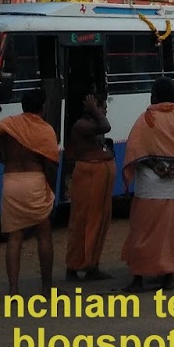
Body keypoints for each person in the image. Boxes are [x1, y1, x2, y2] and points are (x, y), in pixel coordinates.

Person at [120, 79, 174, 292]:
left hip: (149, 186)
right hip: (172, 186)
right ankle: (169, 276)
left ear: (154, 96)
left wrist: (156, 166)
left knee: (141, 232)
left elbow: (136, 150)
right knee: (169, 233)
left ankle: (138, 277)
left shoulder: (146, 119)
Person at [0, 90, 60, 296]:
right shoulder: (45, 130)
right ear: (42, 108)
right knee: (44, 235)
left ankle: (14, 291)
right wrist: (51, 191)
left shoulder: (10, 124)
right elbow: (51, 166)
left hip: (12, 182)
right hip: (35, 181)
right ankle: (46, 288)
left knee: (14, 238)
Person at [64, 92, 116, 281]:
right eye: (103, 106)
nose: (105, 110)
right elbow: (106, 125)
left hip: (100, 177)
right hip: (88, 176)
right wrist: (95, 109)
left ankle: (92, 264)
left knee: (100, 221)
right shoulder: (82, 125)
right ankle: (74, 266)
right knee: (83, 221)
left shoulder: (93, 127)